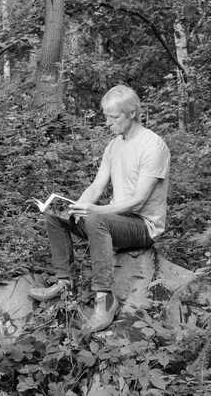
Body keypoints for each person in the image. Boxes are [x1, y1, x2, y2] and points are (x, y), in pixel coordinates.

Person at [28, 84, 171, 334]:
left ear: (132, 113)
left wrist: (95, 211)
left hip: (143, 226)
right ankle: (64, 283)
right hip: (115, 219)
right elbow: (96, 187)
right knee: (56, 217)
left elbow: (138, 200)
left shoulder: (152, 146)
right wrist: (76, 207)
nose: (108, 123)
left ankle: (105, 299)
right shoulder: (114, 146)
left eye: (113, 117)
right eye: (106, 116)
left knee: (96, 221)